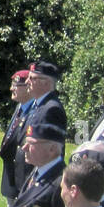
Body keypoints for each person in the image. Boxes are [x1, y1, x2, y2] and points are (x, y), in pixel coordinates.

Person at [8, 123, 68, 207]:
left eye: (31, 143)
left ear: (52, 149)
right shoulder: (38, 170)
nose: (24, 148)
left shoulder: (61, 182)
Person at [14, 61, 67, 189]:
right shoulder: (39, 105)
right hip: (27, 176)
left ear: (46, 82)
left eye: (32, 78)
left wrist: (38, 178)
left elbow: (51, 149)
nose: (27, 82)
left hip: (38, 179)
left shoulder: (52, 109)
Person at [0, 69, 32, 204]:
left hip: (22, 174)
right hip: (10, 173)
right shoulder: (20, 107)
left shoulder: (34, 111)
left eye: (16, 85)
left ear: (28, 87)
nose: (11, 88)